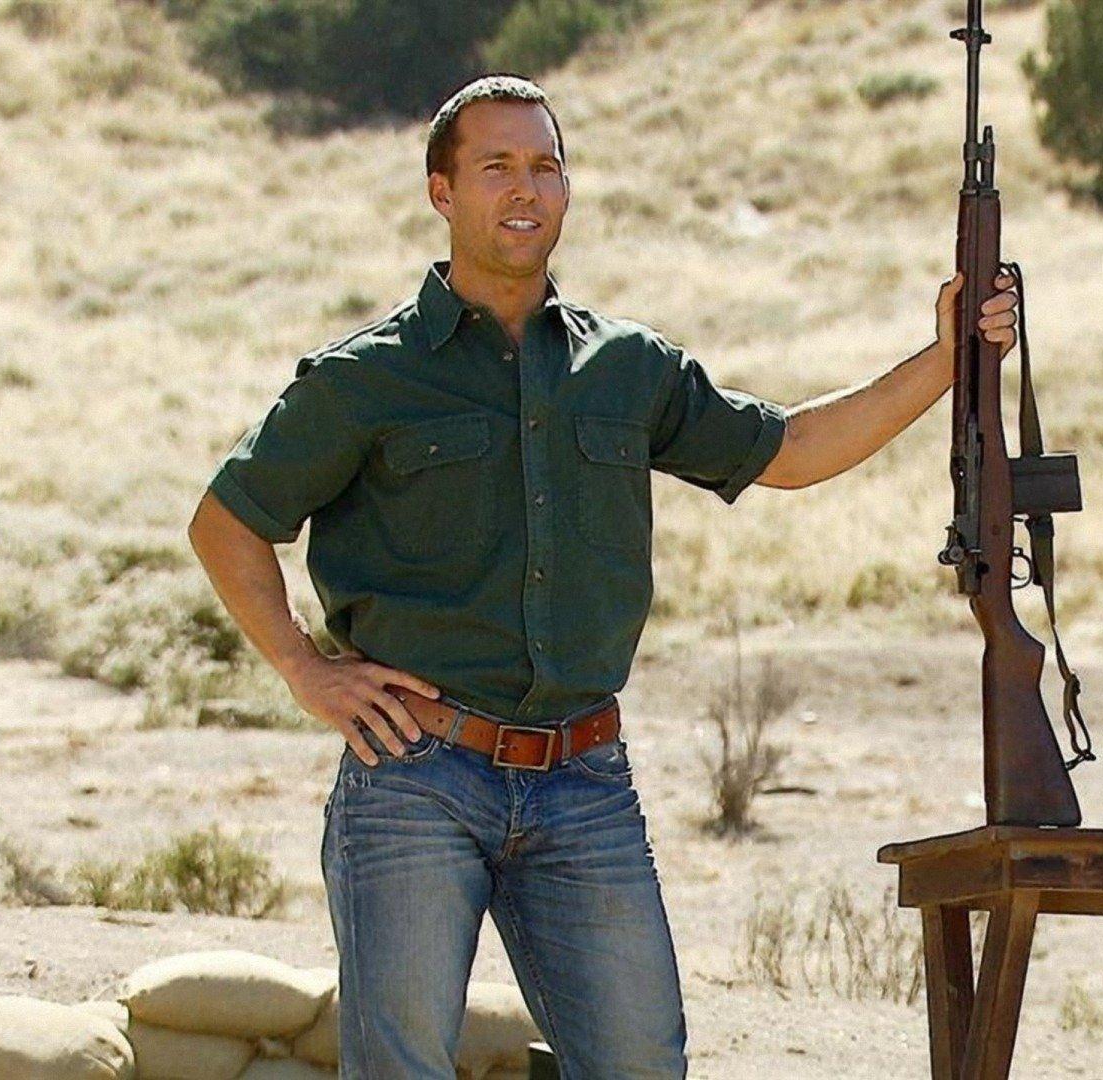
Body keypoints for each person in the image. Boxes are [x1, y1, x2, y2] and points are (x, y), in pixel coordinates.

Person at [186, 74, 1020, 1079]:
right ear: (442, 193)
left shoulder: (627, 369)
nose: (525, 189)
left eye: (546, 165)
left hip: (583, 780)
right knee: (399, 1064)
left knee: (639, 1060)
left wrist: (944, 361)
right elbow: (227, 521)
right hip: (416, 777)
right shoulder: (369, 377)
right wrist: (303, 669)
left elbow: (792, 449)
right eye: (495, 167)